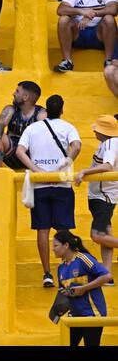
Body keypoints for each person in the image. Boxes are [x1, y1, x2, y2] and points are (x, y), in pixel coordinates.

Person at [18, 94, 82, 287]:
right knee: (63, 228)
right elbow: (77, 146)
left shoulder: (32, 128)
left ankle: (47, 273)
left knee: (42, 229)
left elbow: (20, 151)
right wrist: (65, 163)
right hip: (61, 183)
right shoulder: (68, 127)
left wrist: (36, 170)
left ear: (44, 110)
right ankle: (67, 266)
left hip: (40, 183)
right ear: (62, 110)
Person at [55, 0, 118, 73]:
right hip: (78, 33)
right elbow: (61, 10)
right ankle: (67, 61)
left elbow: (113, 9)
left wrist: (91, 14)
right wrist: (82, 12)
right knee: (63, 19)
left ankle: (108, 59)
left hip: (99, 33)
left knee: (109, 19)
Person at [75, 114, 118, 270]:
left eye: (97, 129)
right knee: (106, 234)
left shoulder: (110, 144)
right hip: (103, 195)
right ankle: (107, 273)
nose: (94, 132)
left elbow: (107, 166)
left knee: (97, 235)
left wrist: (84, 171)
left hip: (103, 195)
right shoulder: (112, 143)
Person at [54, 229, 110, 346]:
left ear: (66, 245)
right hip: (74, 316)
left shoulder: (83, 259)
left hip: (92, 315)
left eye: (55, 245)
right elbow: (63, 291)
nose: (53, 249)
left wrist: (84, 288)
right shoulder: (60, 268)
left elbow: (107, 276)